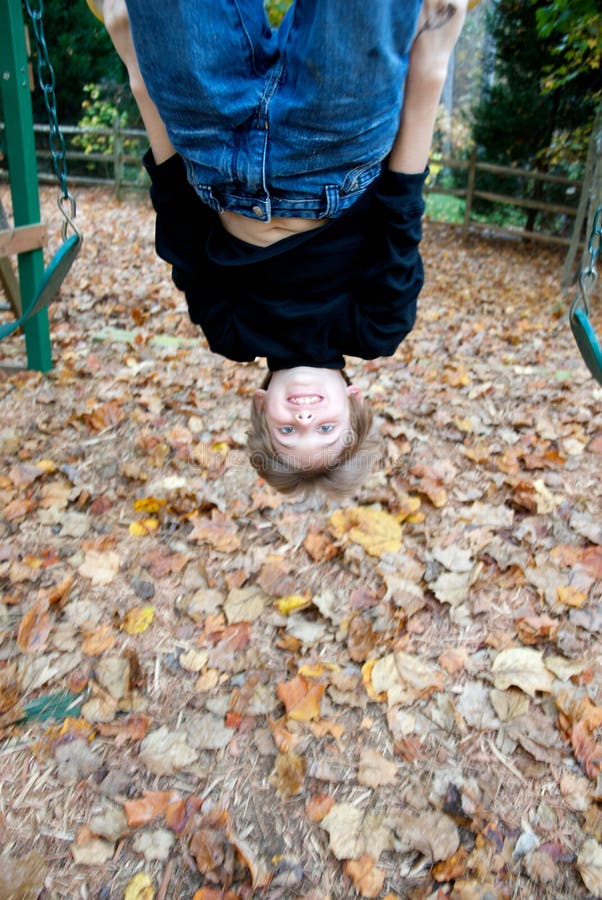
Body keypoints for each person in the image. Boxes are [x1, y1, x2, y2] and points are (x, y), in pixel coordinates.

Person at [98, 0, 467, 497]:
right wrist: (435, 59)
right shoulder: (377, 327)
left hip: (210, 136)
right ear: (354, 403)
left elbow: (177, 213)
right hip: (335, 137)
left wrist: (137, 67)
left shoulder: (229, 332)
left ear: (260, 406)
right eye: (327, 429)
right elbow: (402, 201)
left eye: (288, 431)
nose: (306, 415)